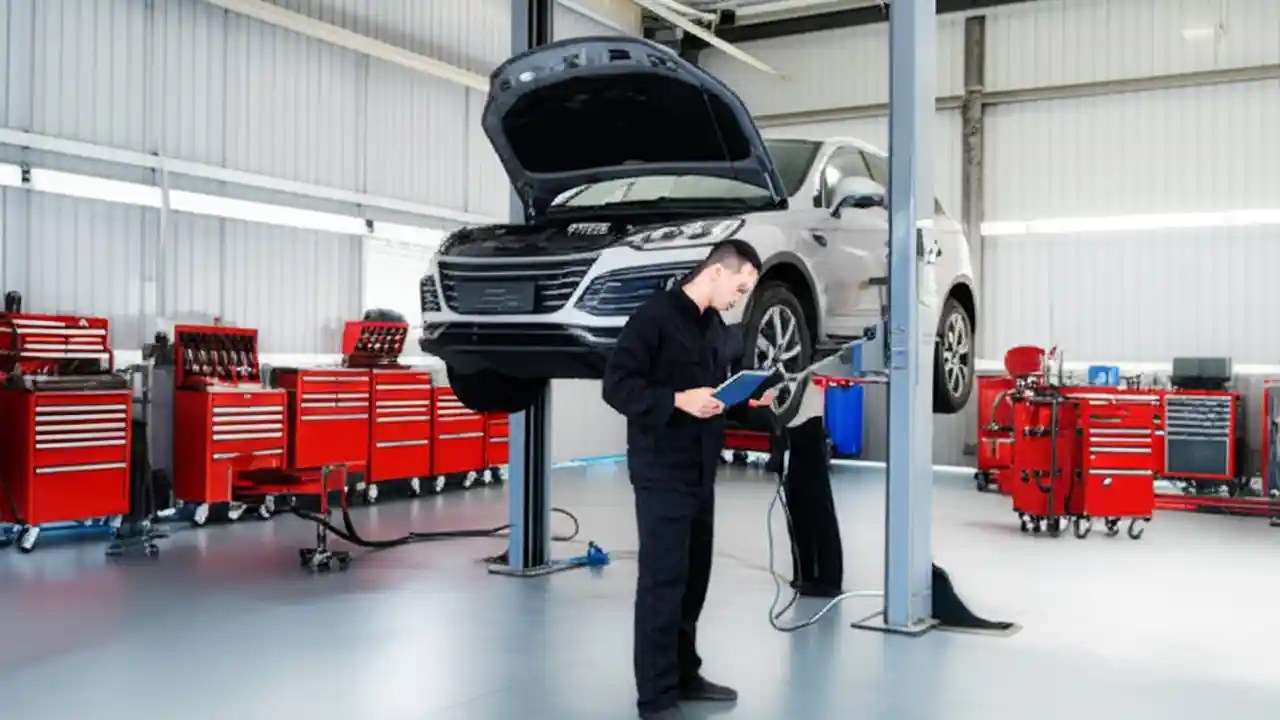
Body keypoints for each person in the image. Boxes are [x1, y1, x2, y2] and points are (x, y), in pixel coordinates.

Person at [602, 239, 763, 720]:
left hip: (700, 469)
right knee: (662, 581)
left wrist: (750, 402)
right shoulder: (654, 316)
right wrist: (676, 399)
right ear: (716, 272)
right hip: (660, 469)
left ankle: (684, 674)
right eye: (740, 287)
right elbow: (618, 386)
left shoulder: (715, 327)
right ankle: (655, 698)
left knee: (693, 578)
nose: (740, 298)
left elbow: (713, 397)